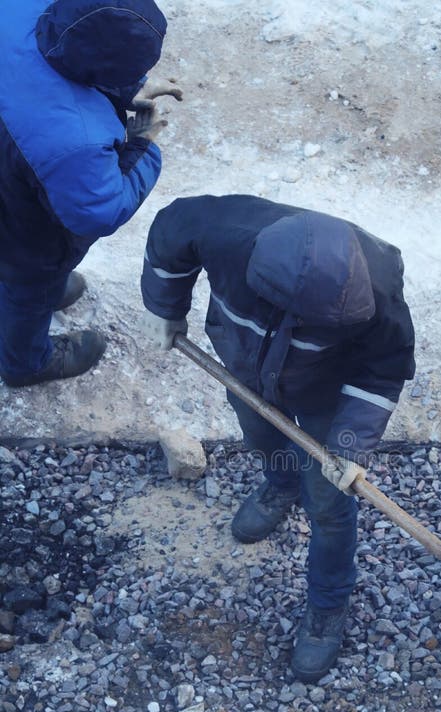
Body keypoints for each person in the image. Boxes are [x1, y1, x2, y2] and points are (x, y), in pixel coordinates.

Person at [140, 194, 416, 683]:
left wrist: (349, 448)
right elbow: (168, 237)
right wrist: (167, 308)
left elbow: (382, 372)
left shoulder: (378, 291)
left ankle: (328, 605)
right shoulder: (223, 231)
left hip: (325, 394)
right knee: (260, 435)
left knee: (330, 504)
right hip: (245, 365)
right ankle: (280, 485)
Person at [0, 0, 171, 388]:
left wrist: (130, 85)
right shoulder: (76, 139)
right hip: (22, 234)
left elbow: (59, 47)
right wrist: (142, 145)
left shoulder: (17, 8)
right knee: (30, 283)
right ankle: (25, 363)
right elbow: (98, 212)